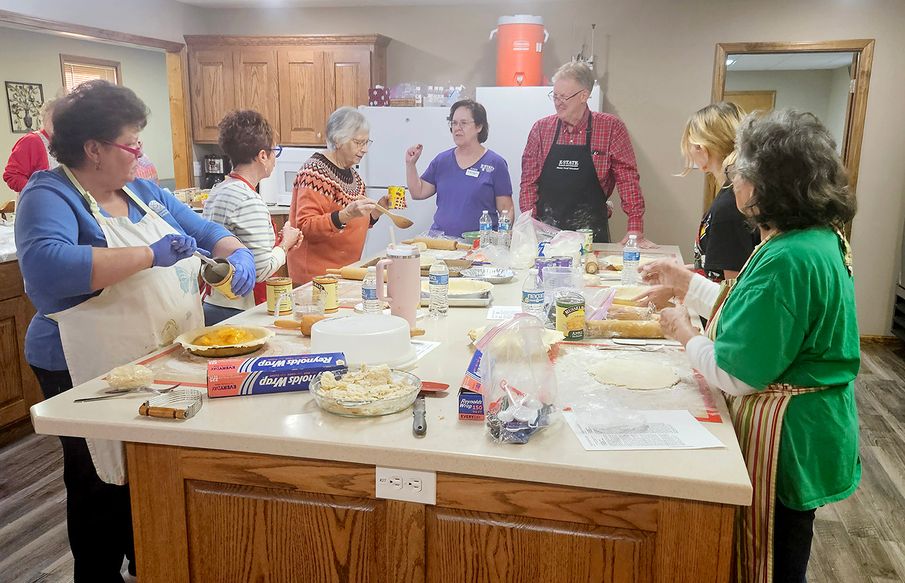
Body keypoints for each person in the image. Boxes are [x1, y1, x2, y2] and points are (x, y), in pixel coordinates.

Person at [14, 80, 255, 583]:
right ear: (93, 149)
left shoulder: (142, 192)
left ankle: (150, 559)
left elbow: (206, 230)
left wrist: (237, 251)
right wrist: (149, 254)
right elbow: (47, 269)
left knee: (153, 469)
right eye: (132, 143)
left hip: (154, 354)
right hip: (80, 363)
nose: (140, 153)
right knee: (99, 480)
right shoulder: (49, 194)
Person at [639, 109, 859, 583]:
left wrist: (684, 333)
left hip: (789, 438)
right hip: (814, 424)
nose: (733, 182)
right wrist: (685, 283)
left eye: (741, 173)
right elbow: (755, 315)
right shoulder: (811, 239)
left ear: (764, 187)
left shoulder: (786, 258)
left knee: (776, 559)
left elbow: (736, 371)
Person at [519, 60, 654, 246]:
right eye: (555, 96)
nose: (558, 103)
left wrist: (635, 228)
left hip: (591, 235)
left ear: (584, 96)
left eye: (563, 97)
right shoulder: (541, 129)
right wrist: (529, 226)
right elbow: (528, 183)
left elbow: (628, 179)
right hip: (546, 236)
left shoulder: (611, 128)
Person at [202, 110, 302, 325]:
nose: (275, 159)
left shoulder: (219, 190)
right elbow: (260, 270)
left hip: (215, 301)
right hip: (239, 309)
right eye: (275, 151)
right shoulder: (248, 200)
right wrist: (285, 244)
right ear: (262, 155)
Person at [287, 107, 387, 285]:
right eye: (358, 142)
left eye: (366, 143)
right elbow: (306, 226)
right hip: (316, 278)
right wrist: (346, 215)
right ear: (338, 140)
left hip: (343, 273)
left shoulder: (354, 178)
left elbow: (351, 224)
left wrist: (376, 213)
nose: (365, 150)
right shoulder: (314, 173)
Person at [405, 99, 513, 237]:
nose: (457, 128)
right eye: (454, 123)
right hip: (441, 243)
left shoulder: (495, 163)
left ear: (479, 126)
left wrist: (502, 241)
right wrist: (410, 165)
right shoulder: (442, 160)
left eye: (463, 123)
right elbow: (418, 192)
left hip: (479, 246)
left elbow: (506, 209)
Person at [681, 102, 758, 282]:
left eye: (691, 145)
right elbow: (721, 264)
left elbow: (731, 291)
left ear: (701, 147)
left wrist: (682, 286)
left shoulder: (730, 205)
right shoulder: (729, 193)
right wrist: (682, 273)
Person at [4, 97, 60, 193]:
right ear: (44, 118)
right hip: (38, 202)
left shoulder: (67, 144)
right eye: (53, 117)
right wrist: (37, 191)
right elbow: (12, 175)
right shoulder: (32, 141)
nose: (57, 121)